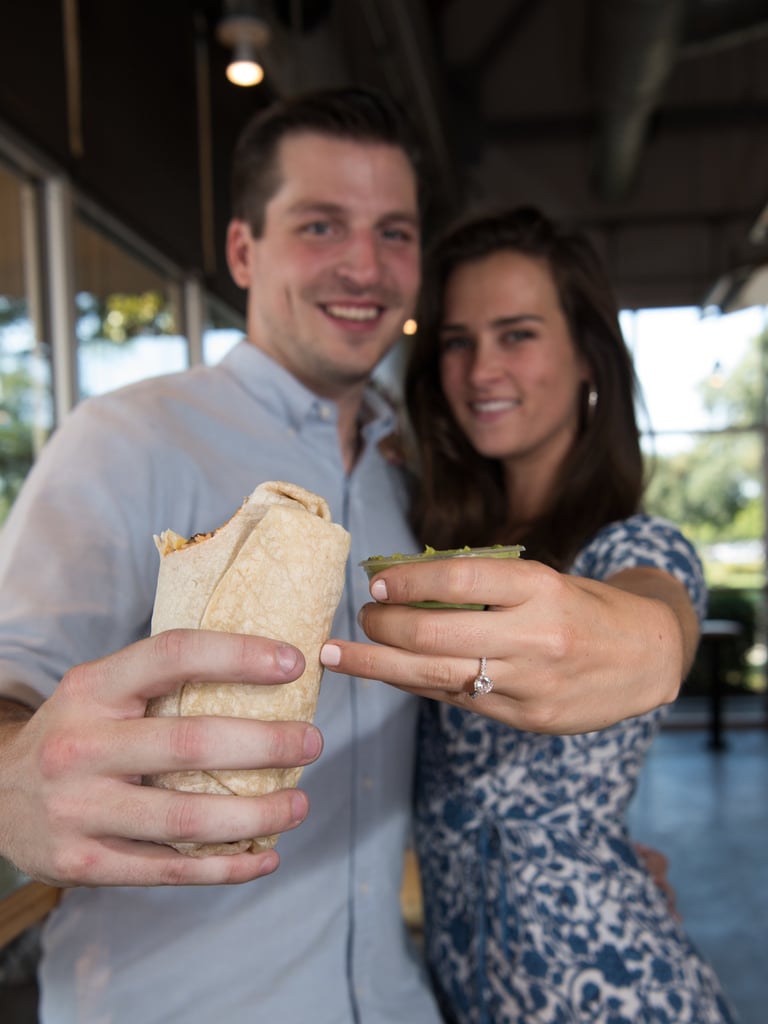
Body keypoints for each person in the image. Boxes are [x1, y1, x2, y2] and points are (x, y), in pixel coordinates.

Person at [0, 87, 695, 1022]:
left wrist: (654, 653)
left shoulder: (413, 482)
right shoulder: (125, 439)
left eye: (396, 233)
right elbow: (14, 683)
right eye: (322, 226)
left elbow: (634, 605)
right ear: (245, 250)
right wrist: (13, 785)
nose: (364, 266)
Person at [320, 207, 738, 1022]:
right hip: (464, 987)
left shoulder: (628, 545)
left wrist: (656, 646)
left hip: (607, 991)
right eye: (457, 340)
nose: (480, 370)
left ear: (587, 357)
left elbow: (658, 617)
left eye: (517, 335)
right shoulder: (434, 536)